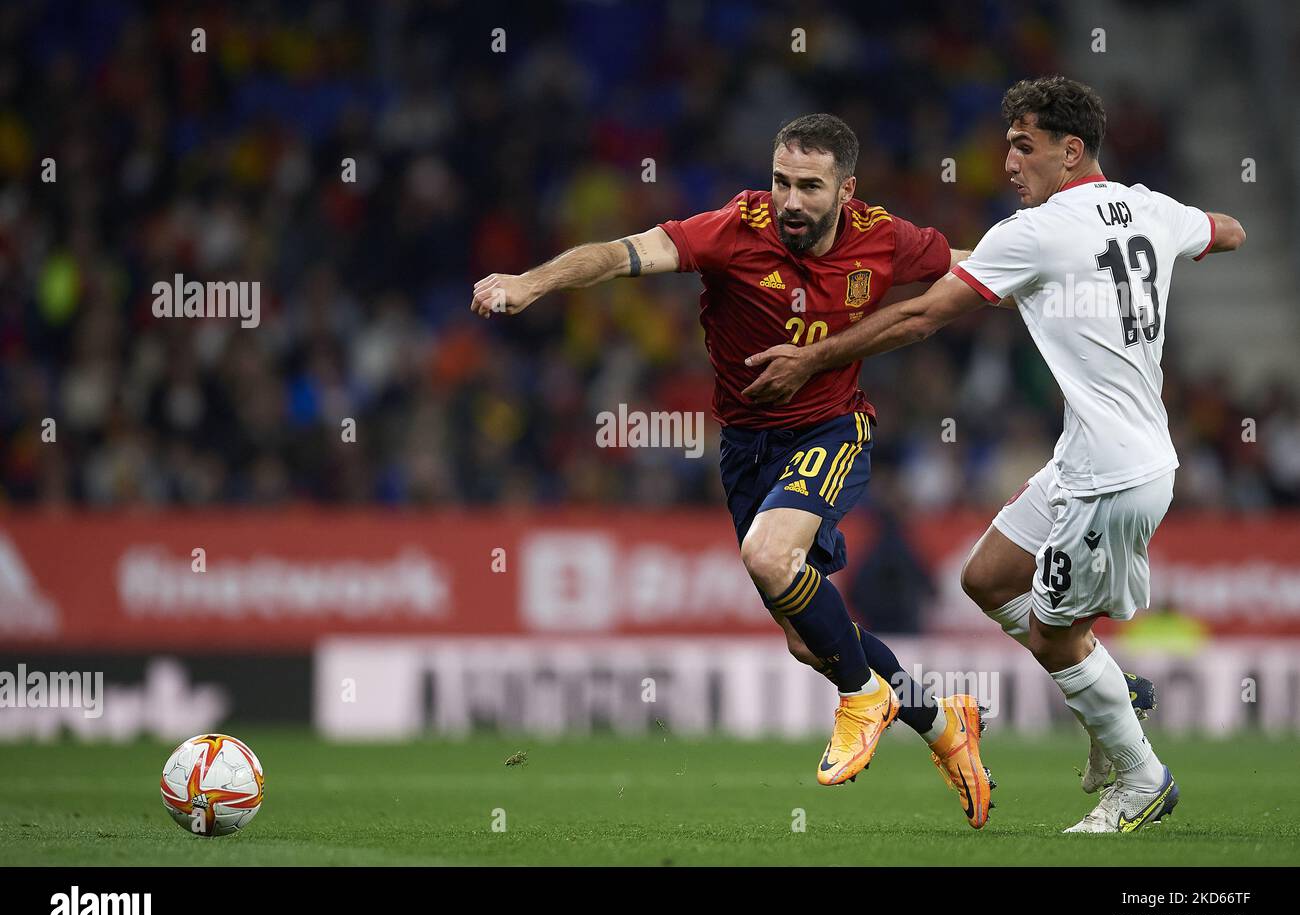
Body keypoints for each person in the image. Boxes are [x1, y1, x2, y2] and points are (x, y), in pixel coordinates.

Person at [742, 76, 1244, 832]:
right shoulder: (1151, 207)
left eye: (1024, 146)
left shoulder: (1033, 231)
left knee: (1055, 637)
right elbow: (1229, 230)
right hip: (1091, 455)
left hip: (1114, 474)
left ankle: (1141, 778)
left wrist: (815, 359)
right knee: (988, 577)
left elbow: (917, 318)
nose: (1007, 162)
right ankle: (1109, 695)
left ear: (1069, 152)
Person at [472, 113, 994, 827]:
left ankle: (865, 698)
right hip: (746, 447)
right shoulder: (732, 230)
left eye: (810, 186)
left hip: (833, 427)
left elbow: (973, 265)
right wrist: (533, 282)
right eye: (781, 181)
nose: (790, 200)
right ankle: (941, 723)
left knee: (767, 555)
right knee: (809, 639)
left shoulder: (885, 238)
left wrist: (1058, 272)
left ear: (847, 190)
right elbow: (621, 252)